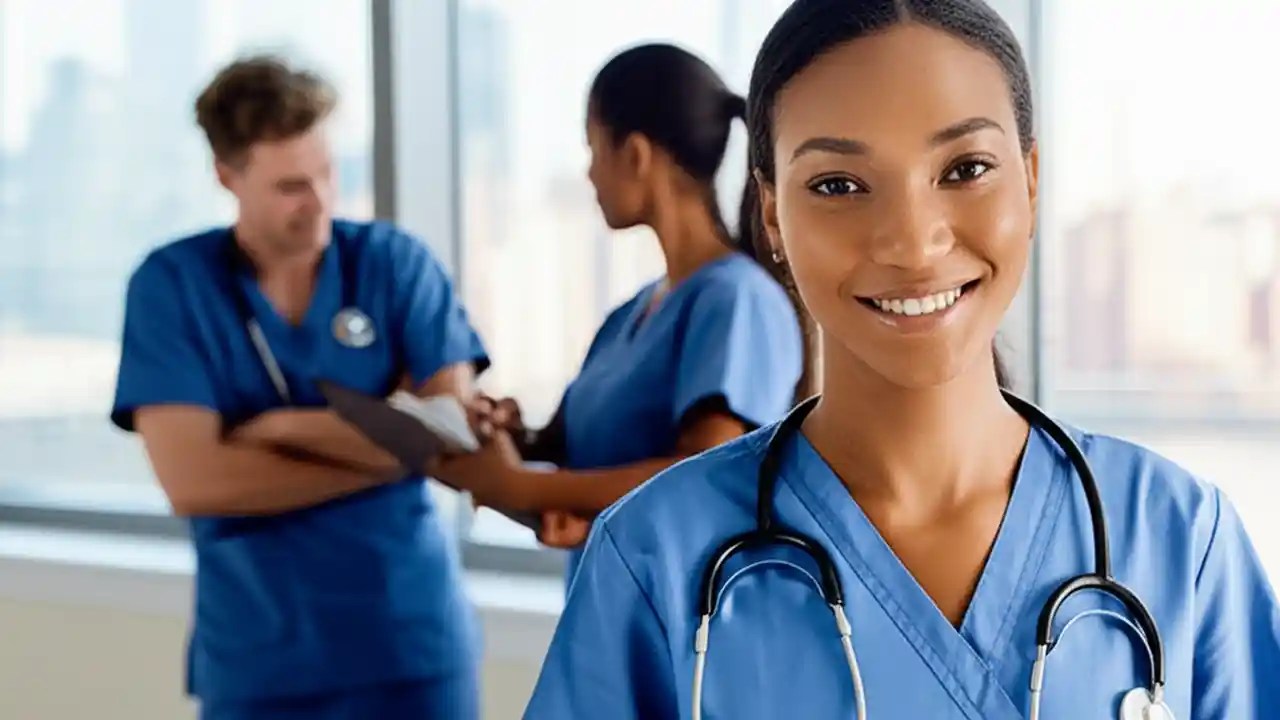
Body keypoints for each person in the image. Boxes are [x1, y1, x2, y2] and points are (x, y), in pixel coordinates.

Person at [522, 2, 1280, 718]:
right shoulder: (652, 558)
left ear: (1031, 178)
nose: (913, 244)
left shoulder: (1181, 540)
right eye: (838, 184)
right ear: (774, 214)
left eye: (965, 169)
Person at [111, 56, 486, 720]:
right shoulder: (173, 286)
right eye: (289, 186)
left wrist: (277, 430)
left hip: (409, 645)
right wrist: (394, 444)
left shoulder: (393, 264)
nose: (318, 202)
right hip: (261, 660)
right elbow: (195, 482)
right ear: (226, 176)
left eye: (327, 173)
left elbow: (449, 434)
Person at [434, 43, 805, 582]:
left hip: (681, 620)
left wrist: (521, 486)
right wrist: (511, 437)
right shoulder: (629, 314)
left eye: (593, 149)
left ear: (634, 154)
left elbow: (707, 476)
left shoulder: (736, 298)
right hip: (601, 603)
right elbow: (582, 459)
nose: (588, 174)